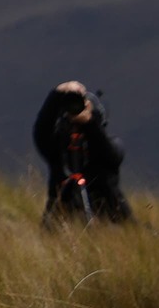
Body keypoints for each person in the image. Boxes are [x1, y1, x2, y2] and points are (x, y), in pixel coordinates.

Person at [32, 80, 132, 223]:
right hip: (63, 222)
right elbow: (42, 132)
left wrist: (89, 124)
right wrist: (57, 93)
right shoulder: (58, 149)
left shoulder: (110, 145)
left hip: (109, 220)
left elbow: (108, 153)